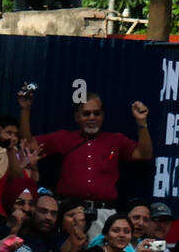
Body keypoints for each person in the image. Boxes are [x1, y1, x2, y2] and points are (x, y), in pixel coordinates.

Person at [19, 89, 153, 209]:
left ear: (103, 116)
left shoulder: (115, 140)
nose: (92, 118)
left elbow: (144, 154)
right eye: (86, 114)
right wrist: (25, 109)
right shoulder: (64, 138)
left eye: (97, 113)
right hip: (70, 210)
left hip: (103, 214)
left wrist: (141, 122)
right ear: (77, 117)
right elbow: (29, 145)